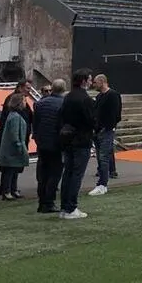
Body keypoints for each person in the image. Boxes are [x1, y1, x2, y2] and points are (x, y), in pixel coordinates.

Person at [59, 68, 96, 219]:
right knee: (76, 174)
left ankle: (65, 207)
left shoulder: (68, 97)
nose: (91, 82)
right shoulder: (85, 99)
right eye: (89, 79)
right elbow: (91, 121)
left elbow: (61, 116)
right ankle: (71, 207)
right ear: (84, 81)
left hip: (68, 139)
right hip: (81, 139)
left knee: (68, 173)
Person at [32, 79, 67, 214]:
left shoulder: (40, 103)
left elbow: (35, 123)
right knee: (55, 173)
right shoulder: (63, 103)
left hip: (42, 142)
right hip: (55, 143)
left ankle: (42, 202)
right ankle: (48, 202)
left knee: (43, 173)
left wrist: (37, 138)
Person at [0, 79, 34, 198]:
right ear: (20, 87)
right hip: (14, 143)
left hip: (20, 139)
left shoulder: (20, 109)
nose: (29, 91)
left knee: (16, 166)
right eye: (27, 88)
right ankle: (6, 189)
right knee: (9, 167)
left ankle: (12, 189)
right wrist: (19, 144)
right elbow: (13, 133)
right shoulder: (14, 113)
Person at [89, 74, 122, 197]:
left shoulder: (113, 95)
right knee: (101, 157)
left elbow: (116, 115)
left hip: (106, 130)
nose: (94, 85)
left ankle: (102, 184)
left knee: (103, 157)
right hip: (98, 131)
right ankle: (103, 181)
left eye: (95, 82)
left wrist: (108, 127)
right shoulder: (99, 96)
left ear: (102, 81)